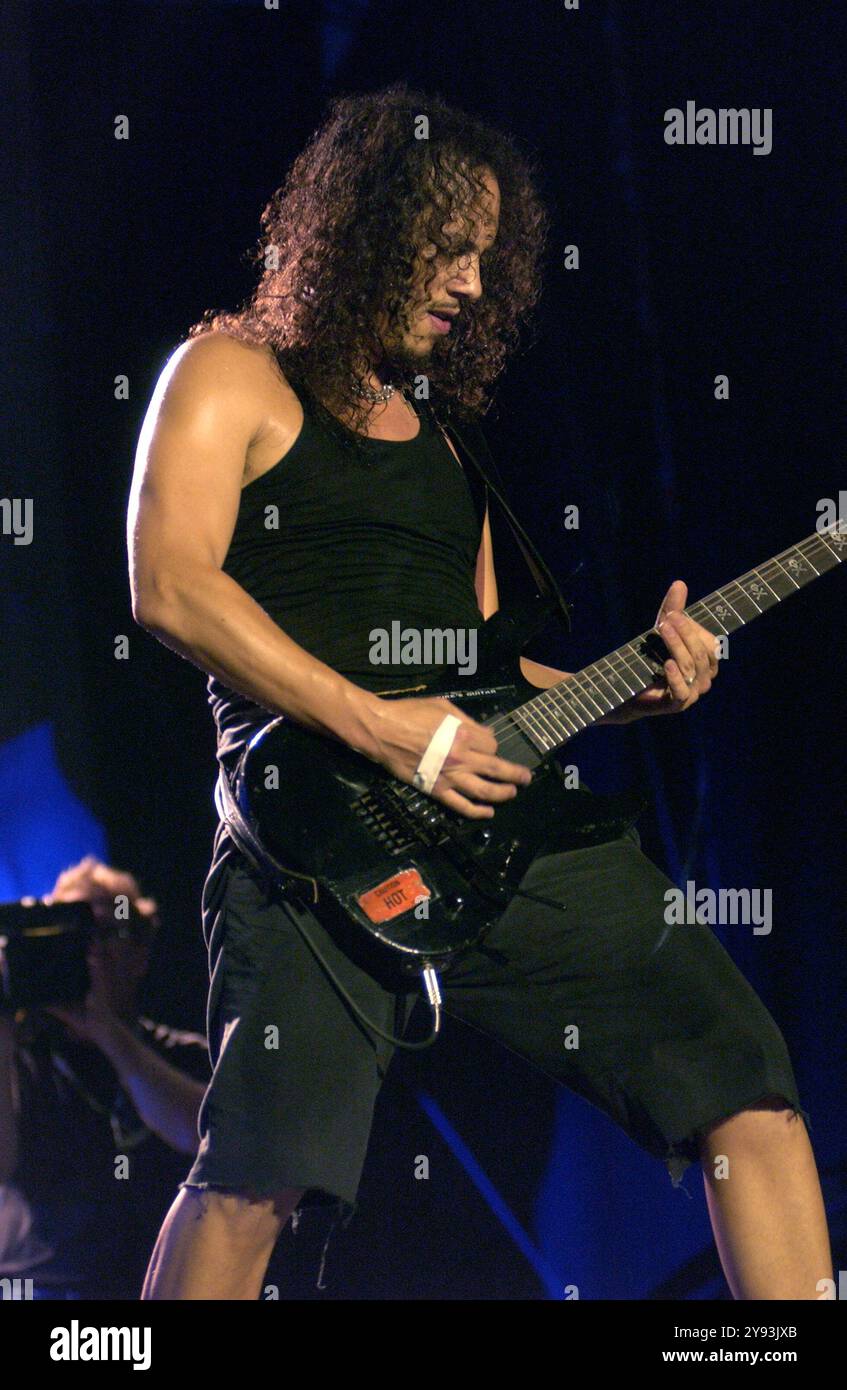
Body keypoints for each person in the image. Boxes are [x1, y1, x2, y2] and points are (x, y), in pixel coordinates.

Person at [128, 84, 831, 1301]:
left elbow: (495, 680)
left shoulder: (450, 445)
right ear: (365, 224)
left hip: (489, 819)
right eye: (446, 247)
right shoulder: (229, 371)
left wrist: (641, 688)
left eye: (485, 257)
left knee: (741, 1072)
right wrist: (383, 727)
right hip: (311, 834)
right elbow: (169, 586)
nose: (468, 282)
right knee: (255, 1177)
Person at [0, 856, 209, 1299]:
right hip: (37, 1286)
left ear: (141, 953)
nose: (88, 951)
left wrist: (108, 1034)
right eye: (71, 934)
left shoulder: (183, 1056)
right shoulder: (21, 1058)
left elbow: (205, 1137)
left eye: (106, 933)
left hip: (160, 1282)